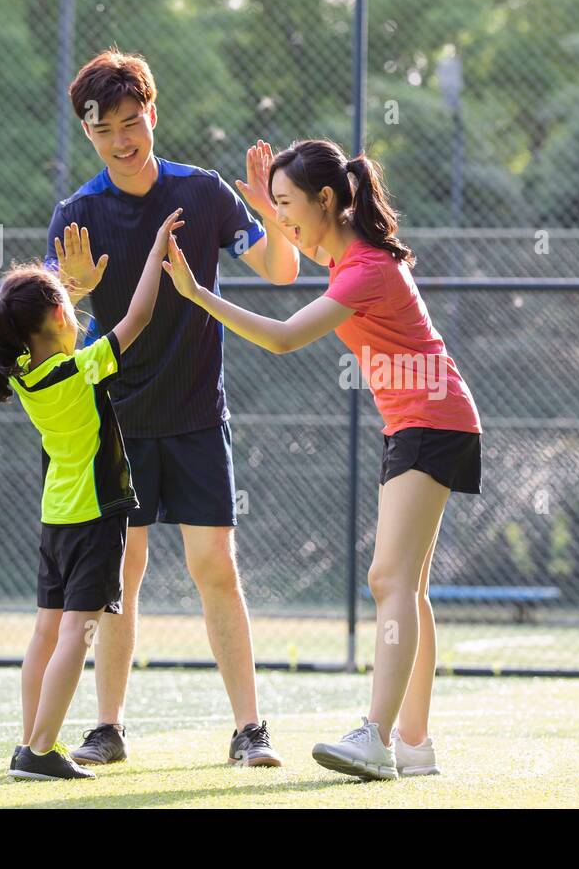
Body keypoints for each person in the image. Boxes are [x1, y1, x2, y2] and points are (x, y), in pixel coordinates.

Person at [162, 139, 483, 780]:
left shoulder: (363, 270)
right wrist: (266, 205)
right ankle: (413, 744)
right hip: (423, 423)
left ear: (328, 200)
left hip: (433, 421)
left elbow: (282, 338)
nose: (280, 219)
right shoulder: (347, 257)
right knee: (407, 590)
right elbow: (303, 247)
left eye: (288, 205)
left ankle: (378, 737)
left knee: (388, 581)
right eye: (275, 206)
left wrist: (197, 294)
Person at [46, 49, 300, 767]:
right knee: (119, 575)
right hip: (116, 424)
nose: (123, 141)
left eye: (134, 122)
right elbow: (61, 340)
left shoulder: (206, 193)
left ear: (152, 114)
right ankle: (107, 728)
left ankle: (250, 731)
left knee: (215, 564)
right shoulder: (77, 216)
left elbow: (284, 270)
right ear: (88, 134)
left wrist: (267, 212)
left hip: (195, 416)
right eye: (105, 131)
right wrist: (77, 293)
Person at [0, 209, 185, 779]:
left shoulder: (23, 373)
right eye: (68, 308)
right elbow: (139, 316)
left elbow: (42, 321)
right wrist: (154, 253)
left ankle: (30, 742)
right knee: (78, 629)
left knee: (48, 629)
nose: (77, 313)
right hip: (96, 514)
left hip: (56, 518)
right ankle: (42, 748)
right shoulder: (83, 369)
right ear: (55, 318)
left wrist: (64, 289)